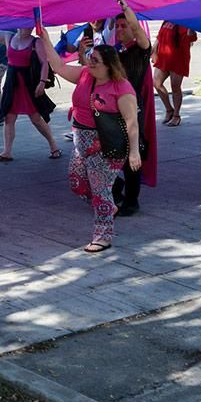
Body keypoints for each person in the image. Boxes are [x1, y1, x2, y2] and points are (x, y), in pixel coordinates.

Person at [38, 33, 141, 253]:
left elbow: (132, 122)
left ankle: (103, 236)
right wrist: (44, 38)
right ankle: (108, 205)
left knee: (101, 191)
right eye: (89, 57)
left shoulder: (121, 88)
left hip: (106, 147)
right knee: (77, 183)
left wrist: (134, 153)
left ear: (109, 65)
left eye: (95, 60)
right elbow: (58, 66)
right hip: (81, 143)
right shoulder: (85, 74)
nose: (89, 61)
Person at [109, 0, 156, 216]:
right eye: (116, 26)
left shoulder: (141, 49)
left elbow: (138, 30)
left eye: (123, 26)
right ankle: (117, 187)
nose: (119, 30)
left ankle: (132, 200)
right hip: (112, 110)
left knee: (132, 156)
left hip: (132, 110)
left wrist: (124, 5)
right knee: (109, 152)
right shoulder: (115, 52)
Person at [0, 28, 60, 161]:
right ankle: (6, 152)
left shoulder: (36, 42)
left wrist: (42, 82)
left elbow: (44, 63)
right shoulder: (9, 36)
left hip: (28, 83)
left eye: (29, 25)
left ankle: (54, 146)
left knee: (35, 118)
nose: (27, 27)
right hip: (12, 83)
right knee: (9, 117)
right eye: (24, 24)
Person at [152, 21, 197, 126]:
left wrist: (192, 26)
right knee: (156, 83)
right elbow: (159, 37)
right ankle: (169, 110)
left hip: (178, 59)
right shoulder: (167, 20)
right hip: (164, 58)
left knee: (175, 87)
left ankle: (176, 115)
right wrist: (154, 51)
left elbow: (191, 38)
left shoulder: (185, 22)